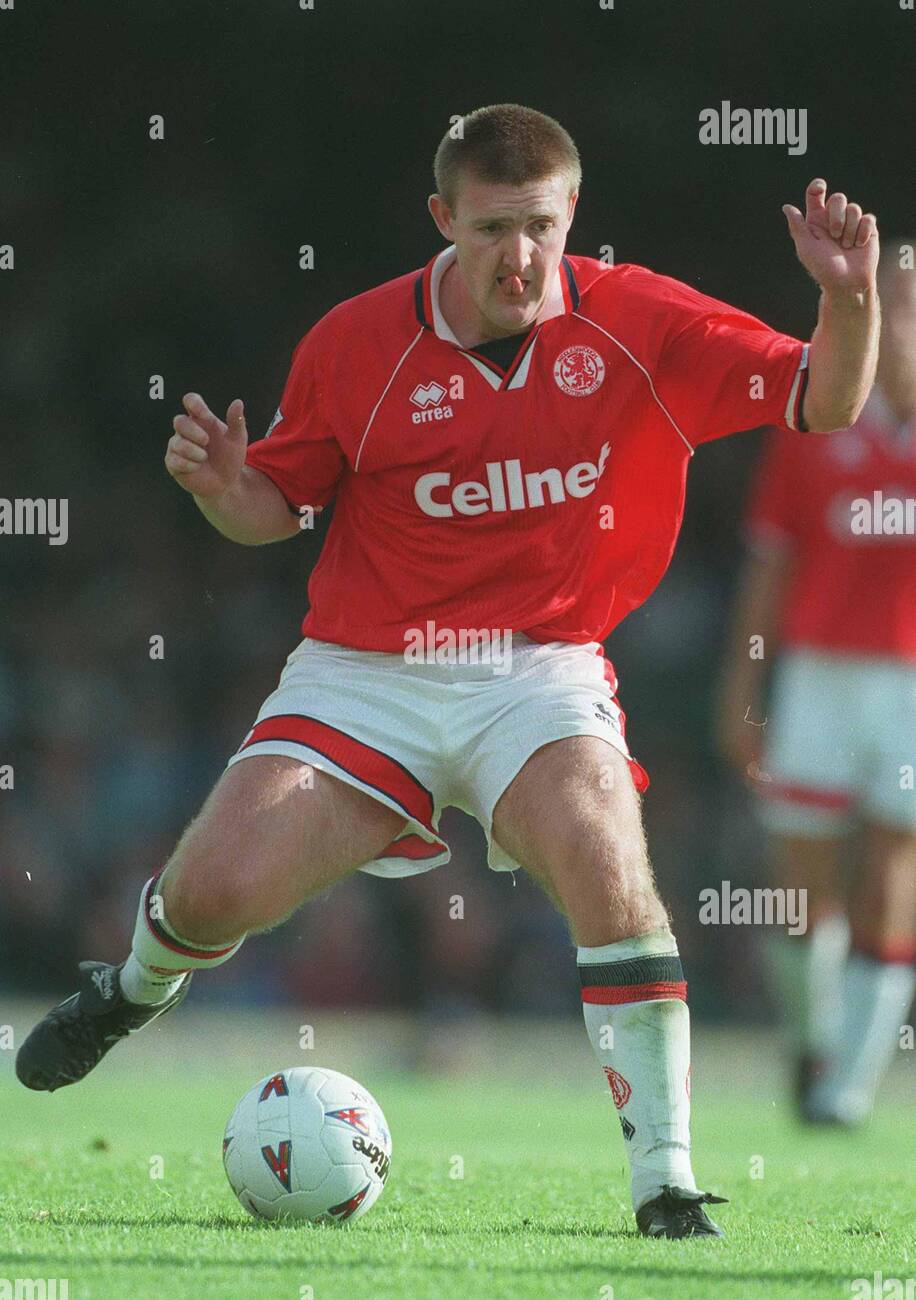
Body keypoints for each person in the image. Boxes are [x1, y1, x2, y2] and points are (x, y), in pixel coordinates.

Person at [17, 104, 881, 1238]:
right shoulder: (356, 342)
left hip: (542, 671)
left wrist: (849, 295)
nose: (519, 256)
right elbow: (277, 509)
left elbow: (826, 398)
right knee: (214, 892)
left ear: (572, 215)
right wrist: (225, 488)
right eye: (490, 229)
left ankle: (665, 1182)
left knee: (610, 872)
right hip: (363, 672)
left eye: (538, 226)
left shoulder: (640, 320)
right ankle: (130, 989)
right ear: (442, 220)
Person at [717, 240, 915, 1125]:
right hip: (818, 678)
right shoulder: (819, 414)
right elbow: (769, 567)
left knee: (890, 877)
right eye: (891, 301)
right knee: (802, 892)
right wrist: (742, 685)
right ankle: (812, 1037)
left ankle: (850, 1089)